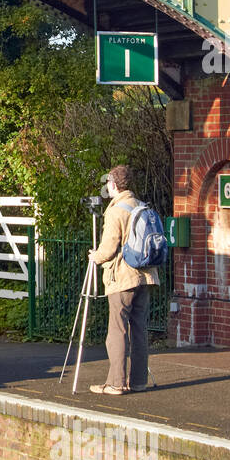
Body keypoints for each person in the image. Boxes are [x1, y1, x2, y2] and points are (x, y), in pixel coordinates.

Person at [88, 165, 159, 395]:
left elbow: (108, 248)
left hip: (123, 278)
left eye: (108, 183)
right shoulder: (141, 206)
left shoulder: (116, 211)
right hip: (146, 276)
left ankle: (116, 383)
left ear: (114, 185)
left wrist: (94, 257)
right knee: (139, 329)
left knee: (117, 331)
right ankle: (138, 381)